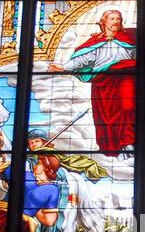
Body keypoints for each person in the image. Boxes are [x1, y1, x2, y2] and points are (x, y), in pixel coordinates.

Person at [49, 8, 136, 158]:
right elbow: (83, 60)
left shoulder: (129, 39)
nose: (116, 21)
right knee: (103, 116)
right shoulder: (95, 42)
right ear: (103, 22)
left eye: (118, 19)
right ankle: (110, 149)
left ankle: (128, 141)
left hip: (125, 78)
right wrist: (64, 67)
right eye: (112, 18)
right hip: (102, 82)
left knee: (128, 107)